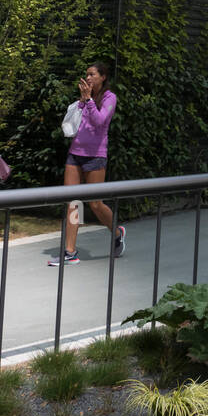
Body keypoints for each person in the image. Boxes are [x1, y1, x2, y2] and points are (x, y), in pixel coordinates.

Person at [51, 62, 121, 265]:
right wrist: (82, 101)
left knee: (95, 204)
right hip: (75, 153)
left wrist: (88, 100)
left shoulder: (110, 98)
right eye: (86, 75)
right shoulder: (85, 98)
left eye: (92, 74)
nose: (88, 78)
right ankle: (70, 251)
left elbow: (100, 121)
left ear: (103, 77)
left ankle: (117, 232)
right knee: (73, 201)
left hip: (96, 156)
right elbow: (75, 123)